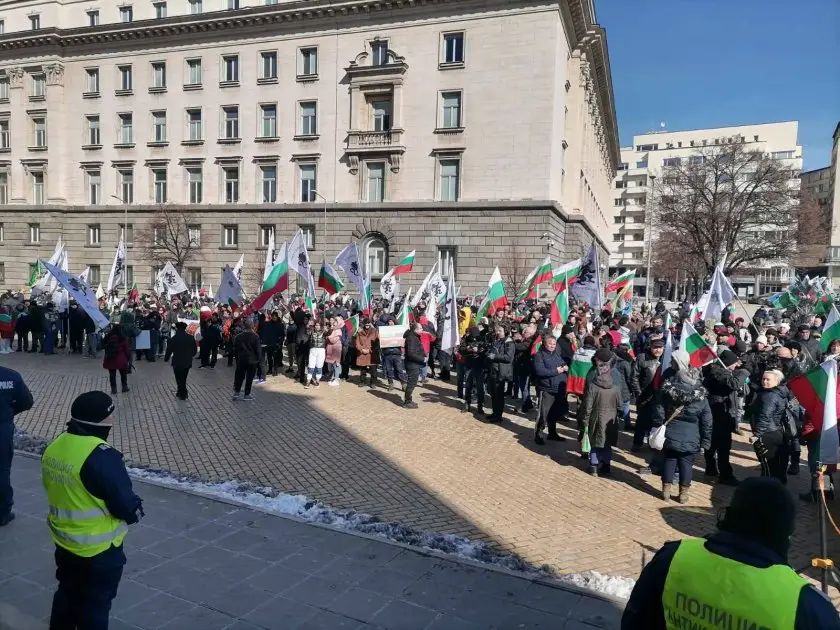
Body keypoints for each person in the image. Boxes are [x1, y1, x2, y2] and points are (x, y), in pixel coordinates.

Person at [622, 477, 840, 630]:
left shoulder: (672, 558)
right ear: (785, 534)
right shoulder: (808, 605)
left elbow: (635, 621)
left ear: (728, 515)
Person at [42, 391, 144, 629]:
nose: (112, 420)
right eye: (110, 415)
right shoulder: (101, 456)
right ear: (101, 420)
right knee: (96, 605)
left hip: (64, 541)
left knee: (67, 593)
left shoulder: (56, 445)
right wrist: (136, 510)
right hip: (99, 549)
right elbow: (125, 505)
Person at [659, 349, 712, 503]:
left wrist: (659, 424)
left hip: (671, 429)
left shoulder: (668, 389)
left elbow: (659, 408)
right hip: (692, 434)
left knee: (670, 460)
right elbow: (707, 420)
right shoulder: (701, 396)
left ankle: (666, 491)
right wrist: (706, 440)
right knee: (687, 464)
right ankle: (683, 494)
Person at [702, 349, 747, 486]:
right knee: (723, 446)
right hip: (719, 413)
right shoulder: (719, 373)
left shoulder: (717, 371)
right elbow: (734, 384)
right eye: (734, 363)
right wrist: (745, 372)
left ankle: (711, 469)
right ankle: (725, 475)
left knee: (712, 444)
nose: (736, 366)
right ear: (727, 363)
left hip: (717, 412)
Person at [0, 363, 34, 526]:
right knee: (1, 470)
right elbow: (26, 402)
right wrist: (8, 412)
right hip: (2, 429)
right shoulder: (11, 376)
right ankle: (2, 512)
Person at [579, 348, 621, 476]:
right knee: (607, 443)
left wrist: (584, 420)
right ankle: (606, 466)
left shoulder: (593, 385)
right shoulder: (615, 386)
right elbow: (620, 404)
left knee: (595, 442)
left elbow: (587, 405)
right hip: (610, 419)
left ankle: (594, 466)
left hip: (596, 416)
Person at [752, 368, 792, 484]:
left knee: (767, 467)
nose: (764, 381)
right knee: (778, 465)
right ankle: (778, 487)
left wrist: (757, 434)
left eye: (768, 379)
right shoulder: (781, 393)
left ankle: (766, 489)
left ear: (777, 381)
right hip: (777, 432)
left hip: (767, 434)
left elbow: (765, 416)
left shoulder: (769, 396)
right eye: (763, 379)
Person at [531, 334, 568, 444]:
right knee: (543, 413)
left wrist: (565, 366)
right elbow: (540, 371)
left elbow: (562, 363)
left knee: (554, 413)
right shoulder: (539, 356)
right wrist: (556, 371)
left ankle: (552, 433)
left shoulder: (556, 354)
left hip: (558, 389)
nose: (552, 346)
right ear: (544, 344)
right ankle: (538, 434)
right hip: (547, 388)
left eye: (554, 344)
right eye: (550, 344)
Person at [631, 338, 666, 452]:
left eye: (660, 347)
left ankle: (653, 443)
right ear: (650, 347)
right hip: (644, 396)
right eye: (655, 347)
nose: (658, 350)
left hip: (659, 397)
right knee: (642, 421)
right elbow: (634, 377)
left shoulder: (666, 359)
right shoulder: (642, 358)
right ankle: (637, 443)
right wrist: (639, 393)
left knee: (656, 421)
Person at [485, 325, 515, 422]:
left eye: (500, 331)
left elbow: (508, 357)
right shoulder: (498, 341)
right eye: (497, 330)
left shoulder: (509, 342)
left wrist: (494, 356)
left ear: (505, 331)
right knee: (493, 393)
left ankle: (498, 416)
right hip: (493, 370)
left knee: (499, 395)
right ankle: (495, 413)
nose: (498, 332)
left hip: (500, 372)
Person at [165, 321, 197, 400]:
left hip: (177, 362)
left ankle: (183, 393)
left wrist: (166, 358)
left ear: (177, 329)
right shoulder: (190, 338)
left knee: (178, 378)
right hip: (187, 362)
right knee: (183, 378)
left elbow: (169, 350)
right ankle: (180, 392)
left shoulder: (173, 338)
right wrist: (190, 356)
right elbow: (194, 350)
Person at [232, 320, 262, 401]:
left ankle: (236, 393)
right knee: (250, 377)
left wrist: (237, 359)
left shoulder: (238, 336)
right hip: (252, 360)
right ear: (252, 326)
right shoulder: (255, 337)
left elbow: (235, 350)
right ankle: (246, 394)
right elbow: (258, 350)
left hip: (241, 359)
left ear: (244, 326)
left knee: (239, 376)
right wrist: (259, 361)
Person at [102, 325, 131, 395]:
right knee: (123, 374)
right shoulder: (122, 338)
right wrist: (128, 358)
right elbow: (126, 350)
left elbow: (103, 346)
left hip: (110, 358)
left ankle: (113, 389)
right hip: (121, 359)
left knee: (112, 375)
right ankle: (124, 387)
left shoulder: (108, 337)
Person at [403, 321, 426, 409]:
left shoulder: (414, 336)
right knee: (411, 383)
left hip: (414, 364)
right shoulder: (412, 338)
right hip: (412, 365)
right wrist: (422, 359)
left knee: (412, 383)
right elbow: (411, 353)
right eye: (420, 328)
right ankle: (407, 402)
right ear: (415, 329)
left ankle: (409, 400)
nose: (422, 329)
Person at [355, 319, 380, 387]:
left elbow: (377, 342)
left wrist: (369, 350)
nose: (367, 324)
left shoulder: (374, 331)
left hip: (372, 353)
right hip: (362, 353)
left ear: (370, 323)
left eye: (368, 323)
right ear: (363, 324)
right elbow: (357, 343)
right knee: (363, 369)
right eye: (365, 323)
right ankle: (362, 381)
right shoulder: (359, 332)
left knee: (373, 370)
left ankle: (373, 383)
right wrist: (361, 349)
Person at [306, 320, 327, 387]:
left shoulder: (324, 332)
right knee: (311, 365)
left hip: (321, 350)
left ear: (321, 326)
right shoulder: (312, 331)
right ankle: (308, 380)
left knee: (319, 366)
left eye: (318, 325)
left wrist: (327, 329)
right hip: (313, 350)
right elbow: (307, 333)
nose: (317, 326)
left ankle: (317, 380)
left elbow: (329, 333)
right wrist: (308, 326)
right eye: (316, 325)